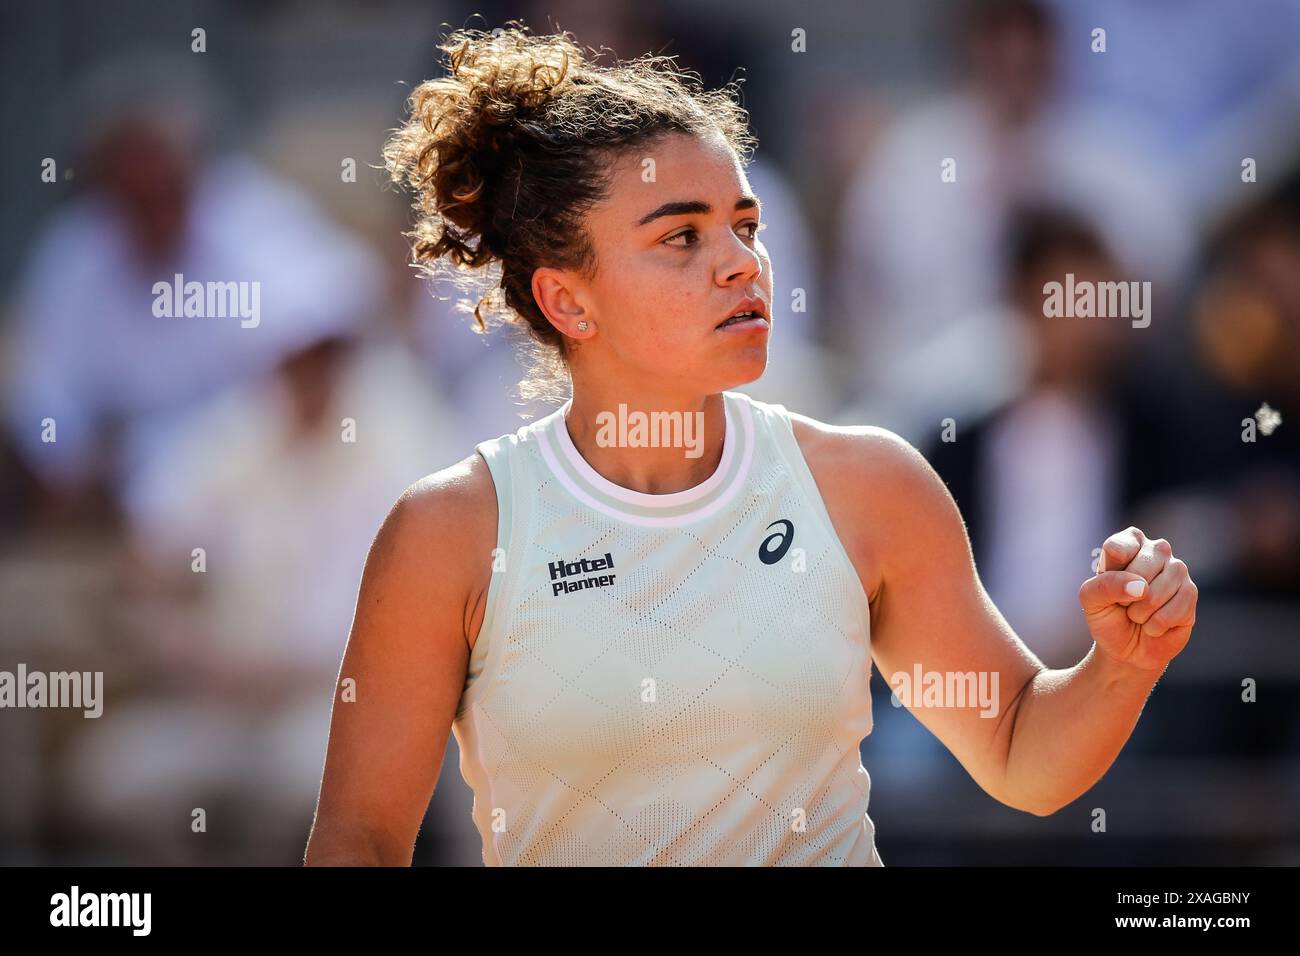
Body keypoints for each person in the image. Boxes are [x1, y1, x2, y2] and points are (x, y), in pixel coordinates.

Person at [304, 25, 1199, 867]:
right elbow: (360, 845)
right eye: (682, 237)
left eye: (747, 226)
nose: (742, 263)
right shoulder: (446, 534)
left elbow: (1018, 752)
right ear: (568, 300)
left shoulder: (871, 484)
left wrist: (1122, 666)